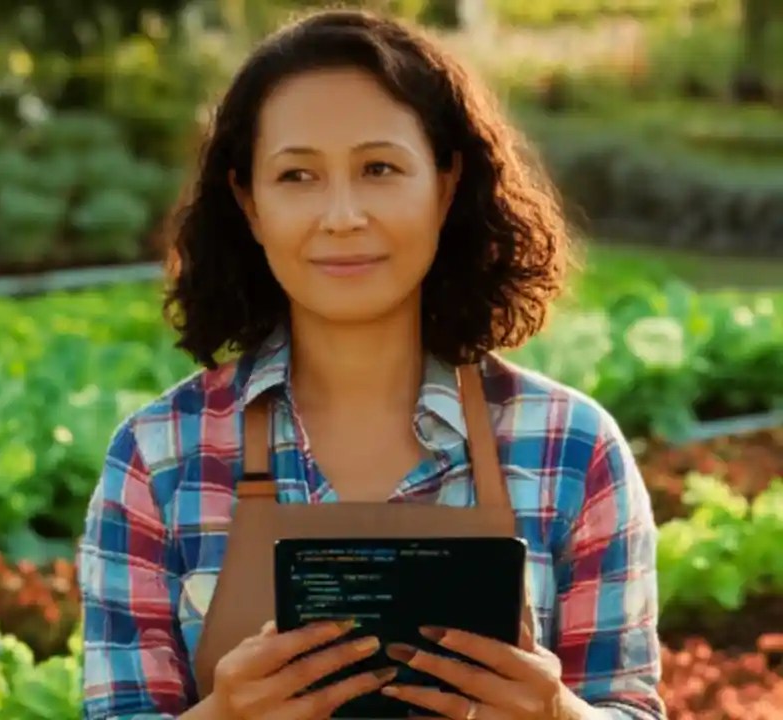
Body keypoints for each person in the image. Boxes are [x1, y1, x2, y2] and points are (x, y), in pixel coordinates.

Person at [77, 7, 662, 720]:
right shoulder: (157, 458)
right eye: (297, 176)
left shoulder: (572, 449)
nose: (343, 215)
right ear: (249, 203)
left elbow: (630, 708)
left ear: (446, 185)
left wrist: (557, 715)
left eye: (379, 168)